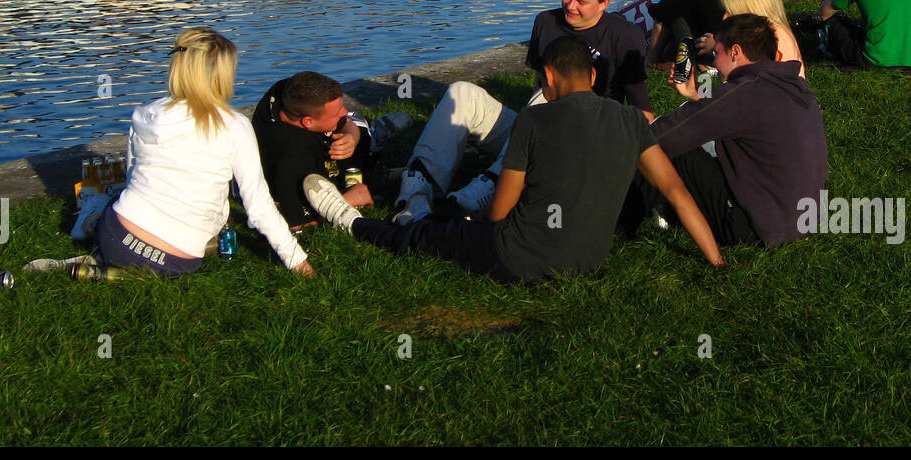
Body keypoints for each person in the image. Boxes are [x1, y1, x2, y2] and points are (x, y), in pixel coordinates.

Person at [302, 38, 723, 281]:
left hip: (520, 258)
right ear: (592, 77)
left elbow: (501, 212)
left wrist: (468, 230)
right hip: (590, 260)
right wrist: (716, 262)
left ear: (550, 78)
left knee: (425, 237)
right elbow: (676, 192)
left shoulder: (534, 122)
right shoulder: (631, 120)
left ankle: (353, 222)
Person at [391, 0, 651, 223]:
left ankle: (481, 193)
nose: (570, 6)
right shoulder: (546, 23)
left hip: (582, 141)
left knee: (547, 100)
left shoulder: (624, 36)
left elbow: (643, 114)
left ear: (604, 3)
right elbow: (542, 86)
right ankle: (417, 192)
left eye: (581, 1)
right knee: (461, 93)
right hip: (536, 134)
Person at [97, 28, 312, 277]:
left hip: (117, 239)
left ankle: (91, 230)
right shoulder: (234, 125)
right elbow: (258, 205)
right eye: (231, 70)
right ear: (219, 76)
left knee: (114, 200)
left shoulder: (145, 114)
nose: (233, 77)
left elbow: (132, 177)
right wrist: (297, 260)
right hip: (175, 260)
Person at [624, 14, 828, 248]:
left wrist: (614, 140)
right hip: (801, 219)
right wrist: (695, 96)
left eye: (716, 53)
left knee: (669, 149)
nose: (714, 62)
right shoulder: (793, 87)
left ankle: (624, 217)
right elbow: (734, 118)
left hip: (753, 227)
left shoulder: (743, 93)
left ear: (735, 52)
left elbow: (670, 133)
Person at [252, 71, 374, 231]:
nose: (344, 112)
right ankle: (371, 138)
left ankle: (366, 133)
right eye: (337, 113)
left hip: (325, 143)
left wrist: (353, 135)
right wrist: (349, 199)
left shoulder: (287, 91)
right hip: (314, 168)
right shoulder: (290, 159)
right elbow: (298, 223)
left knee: (355, 129)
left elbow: (345, 121)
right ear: (308, 121)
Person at [718, 0, 805, 78]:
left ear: (751, 11)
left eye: (731, 12)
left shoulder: (774, 38)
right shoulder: (767, 33)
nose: (724, 17)